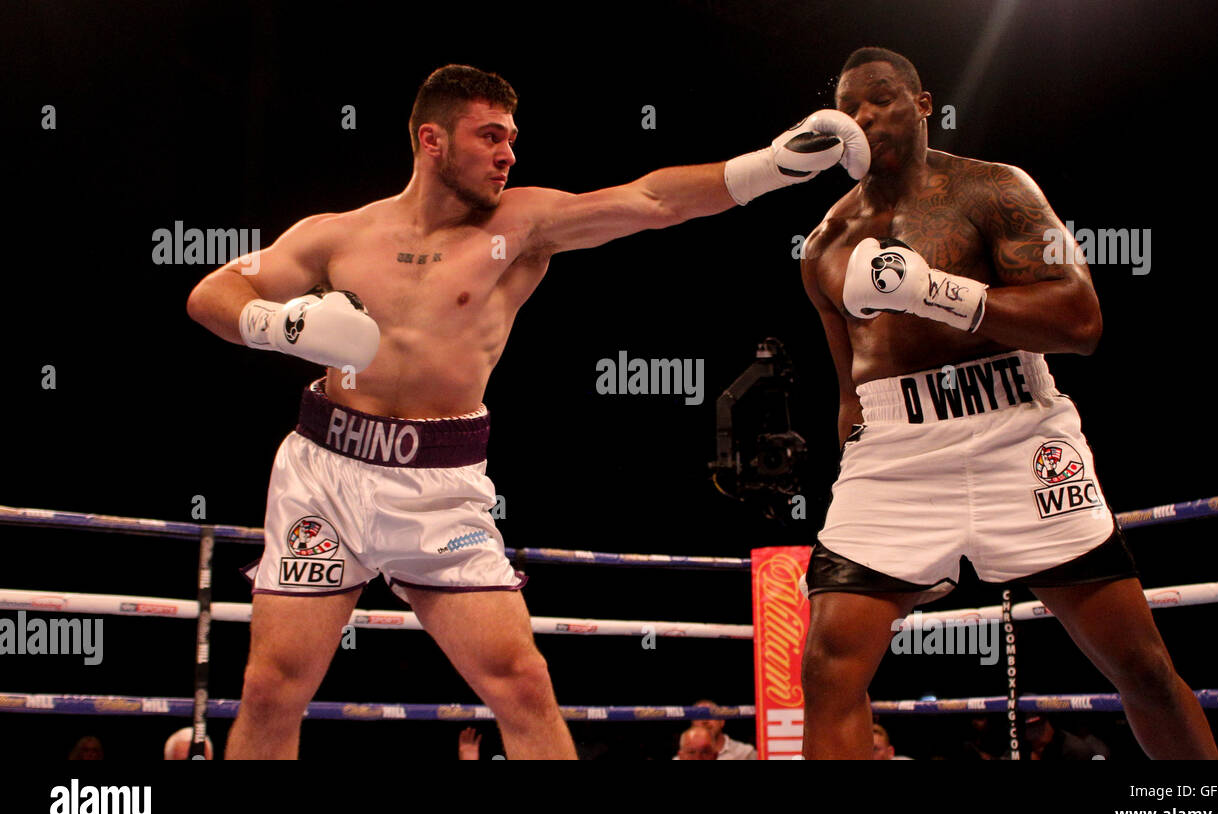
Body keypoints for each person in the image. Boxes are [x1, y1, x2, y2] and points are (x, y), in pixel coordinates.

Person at [187, 64, 868, 760]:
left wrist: (766, 166)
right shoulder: (336, 235)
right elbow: (212, 293)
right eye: (489, 136)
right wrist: (285, 327)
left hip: (438, 489)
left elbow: (653, 198)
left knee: (521, 682)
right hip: (324, 475)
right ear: (432, 140)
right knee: (272, 686)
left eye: (511, 137)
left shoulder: (524, 223)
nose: (508, 153)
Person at [798, 47, 1218, 760]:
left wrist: (937, 291)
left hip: (1017, 431)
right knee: (827, 666)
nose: (863, 116)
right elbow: (851, 392)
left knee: (1141, 663)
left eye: (880, 99)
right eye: (849, 106)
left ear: (924, 104)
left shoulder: (996, 190)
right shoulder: (824, 245)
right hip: (897, 453)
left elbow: (1081, 321)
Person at [689, 699, 757, 759]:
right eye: (700, 717)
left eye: (710, 715)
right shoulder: (685, 756)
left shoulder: (745, 753)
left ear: (721, 722)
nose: (705, 721)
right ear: (692, 724)